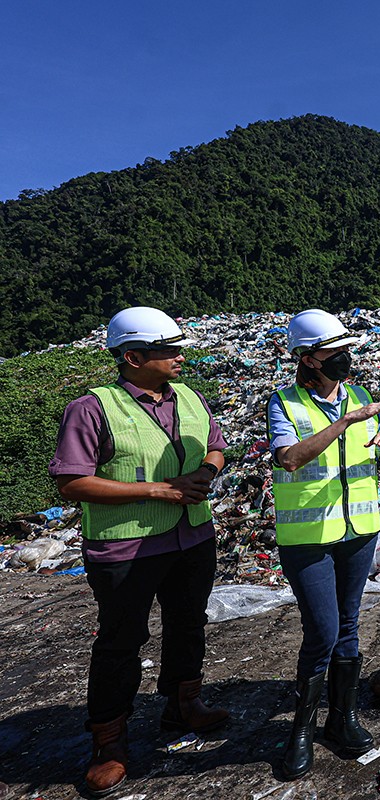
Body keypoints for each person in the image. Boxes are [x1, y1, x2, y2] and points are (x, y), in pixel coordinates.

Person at [51, 306, 228, 797]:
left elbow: (215, 445)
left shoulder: (189, 397)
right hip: (127, 546)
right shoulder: (93, 408)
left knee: (189, 624)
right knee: (121, 642)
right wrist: (159, 491)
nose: (179, 357)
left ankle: (181, 704)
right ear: (132, 357)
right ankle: (109, 742)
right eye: (168, 350)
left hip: (192, 536)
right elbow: (72, 480)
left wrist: (206, 475)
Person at [267, 309, 380, 779]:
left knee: (348, 628)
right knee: (322, 631)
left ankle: (342, 720)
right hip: (309, 540)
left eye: (347, 349)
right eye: (334, 352)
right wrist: (347, 422)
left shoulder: (360, 395)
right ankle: (300, 732)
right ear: (308, 359)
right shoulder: (284, 403)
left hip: (358, 533)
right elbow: (289, 458)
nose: (346, 357)